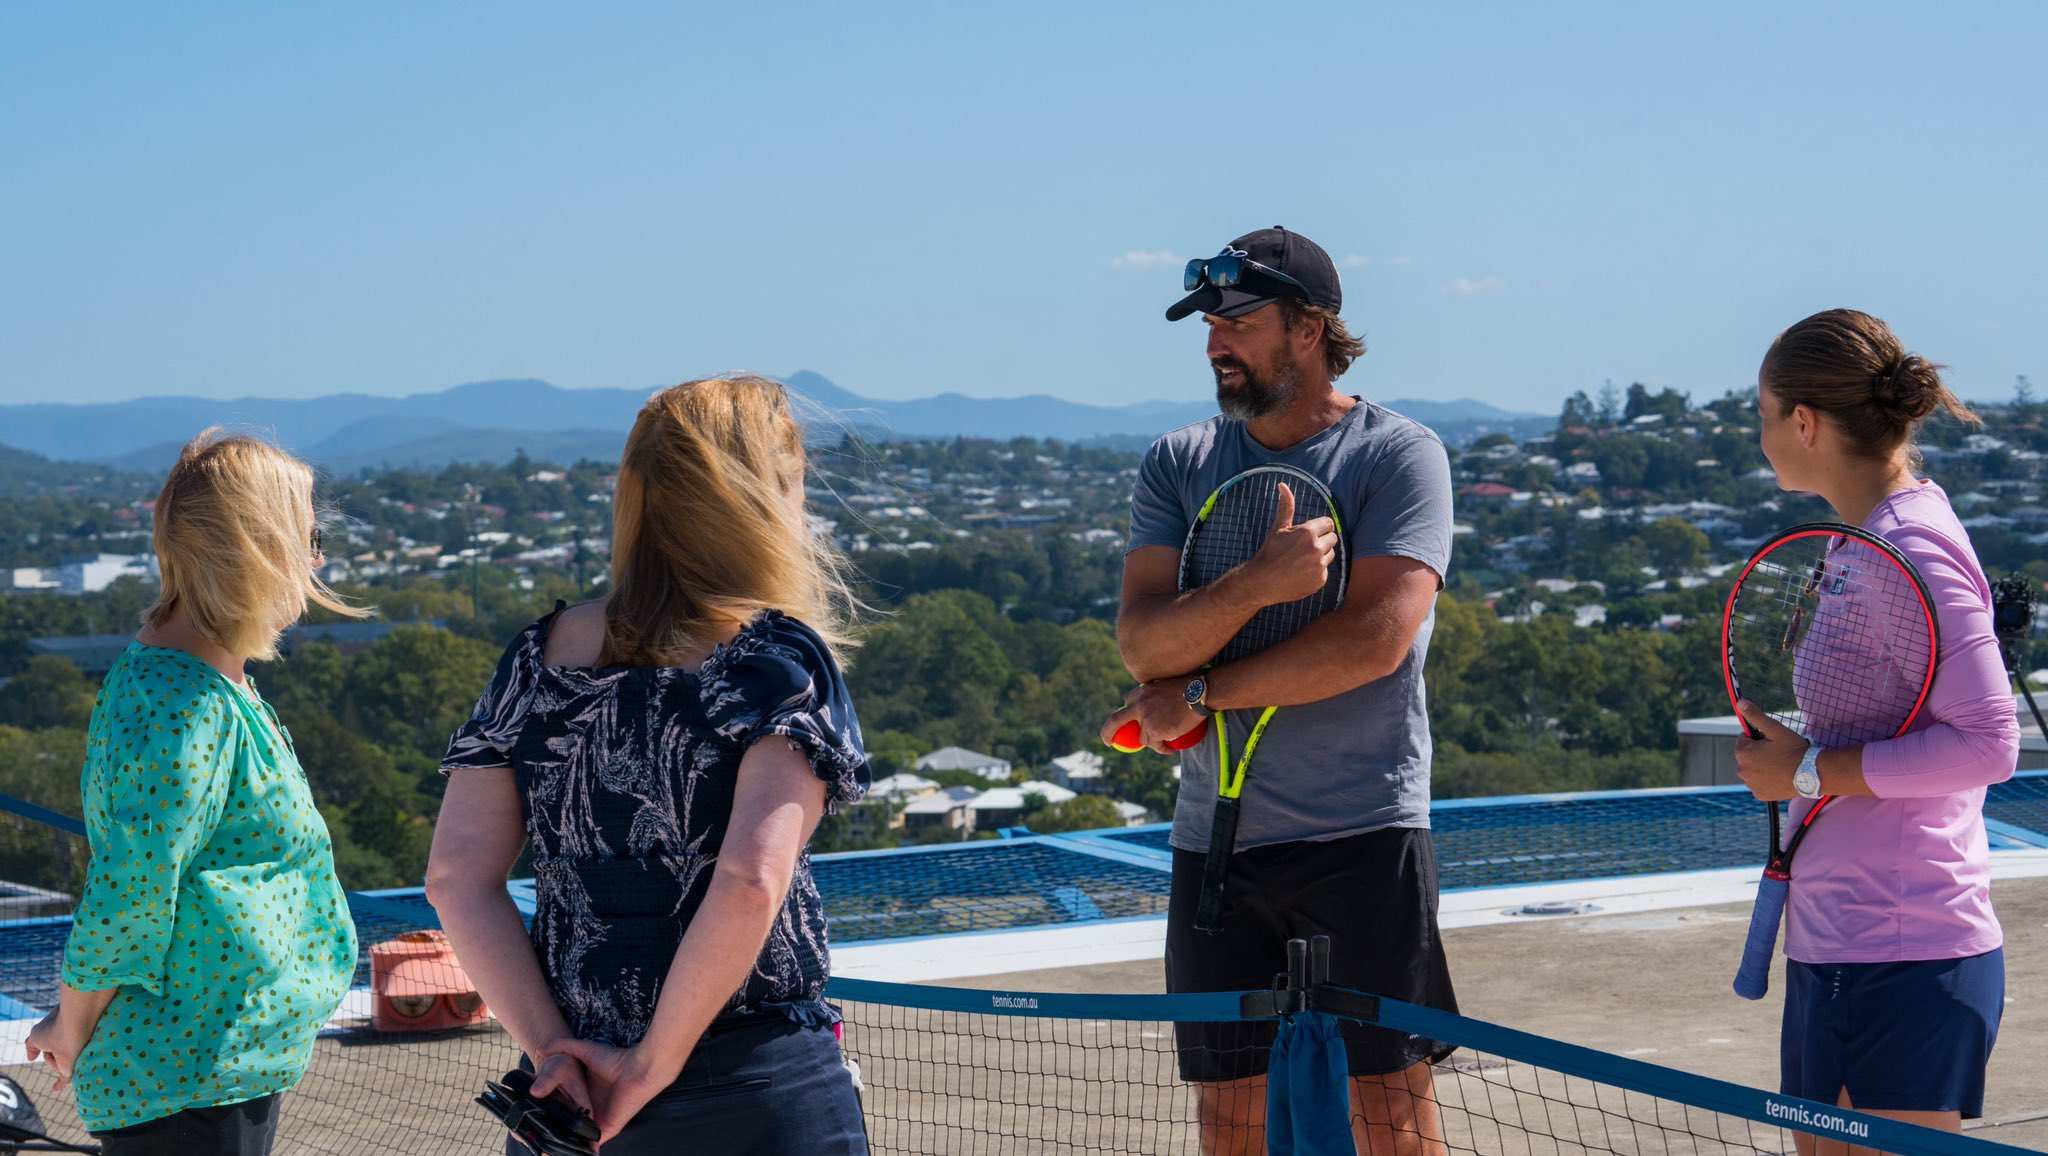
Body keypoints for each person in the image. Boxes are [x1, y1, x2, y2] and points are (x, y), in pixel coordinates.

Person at [427, 377, 871, 1154]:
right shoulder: (776, 660)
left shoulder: (535, 657)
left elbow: (455, 878)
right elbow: (748, 879)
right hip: (753, 1088)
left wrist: (552, 1052)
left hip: (568, 1107)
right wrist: (649, 1066)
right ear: (765, 498)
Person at [1099, 226, 1457, 1155]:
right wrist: (1257, 584)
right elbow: (1144, 644)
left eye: (1239, 318)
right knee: (1230, 1119)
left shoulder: (1399, 456)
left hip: (1363, 836)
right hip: (1212, 851)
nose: (1215, 339)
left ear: (1309, 327)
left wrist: (1204, 691)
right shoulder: (1178, 462)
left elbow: (1375, 642)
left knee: (1391, 1117)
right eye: (1209, 320)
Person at [24, 430, 367, 1155]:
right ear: (256, 551)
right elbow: (132, 890)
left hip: (220, 1067)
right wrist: (72, 1022)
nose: (316, 562)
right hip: (187, 1080)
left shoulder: (209, 682)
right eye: (305, 541)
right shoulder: (180, 706)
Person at [1734, 309, 2017, 1149]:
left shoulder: (1914, 547)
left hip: (1907, 950)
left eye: (1762, 414)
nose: (1760, 435)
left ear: (1805, 423)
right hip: (1844, 942)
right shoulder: (1867, 539)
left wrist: (1809, 772)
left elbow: (1988, 743)